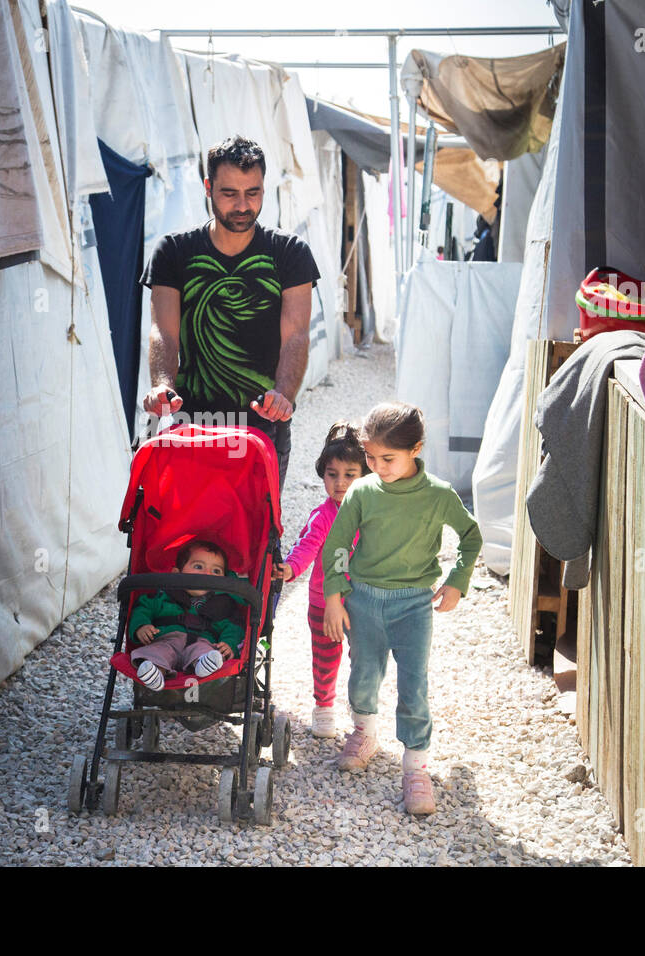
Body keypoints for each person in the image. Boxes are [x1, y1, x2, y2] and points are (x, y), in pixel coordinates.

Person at [320, 402, 482, 815]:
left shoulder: (439, 495)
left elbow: (471, 536)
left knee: (414, 687)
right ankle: (364, 733)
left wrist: (456, 583)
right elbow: (336, 545)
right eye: (370, 457)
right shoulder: (362, 491)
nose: (377, 466)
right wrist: (335, 596)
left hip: (414, 605)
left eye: (387, 458)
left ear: (417, 449)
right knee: (362, 677)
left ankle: (415, 769)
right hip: (364, 601)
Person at [139, 135, 320, 489]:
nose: (242, 205)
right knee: (182, 534)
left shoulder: (290, 253)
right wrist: (162, 386)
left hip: (261, 425)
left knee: (256, 536)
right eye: (229, 193)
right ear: (208, 187)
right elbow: (164, 332)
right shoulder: (173, 252)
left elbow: (296, 334)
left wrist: (283, 396)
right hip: (187, 420)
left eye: (252, 193)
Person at [276, 422, 369, 738]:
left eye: (349, 474)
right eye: (332, 474)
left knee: (364, 657)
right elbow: (307, 545)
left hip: (361, 600)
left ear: (365, 475)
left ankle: (361, 707)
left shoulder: (372, 513)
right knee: (326, 659)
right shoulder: (323, 515)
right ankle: (324, 706)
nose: (340, 483)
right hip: (322, 599)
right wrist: (290, 568)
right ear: (322, 474)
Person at [129, 540, 249, 692]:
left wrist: (229, 644)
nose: (207, 575)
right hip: (166, 640)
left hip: (202, 642)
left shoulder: (222, 605)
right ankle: (156, 672)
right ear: (177, 574)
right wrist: (141, 626)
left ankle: (202, 665)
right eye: (199, 567)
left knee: (207, 652)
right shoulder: (164, 595)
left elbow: (233, 627)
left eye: (216, 571)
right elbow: (143, 607)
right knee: (156, 652)